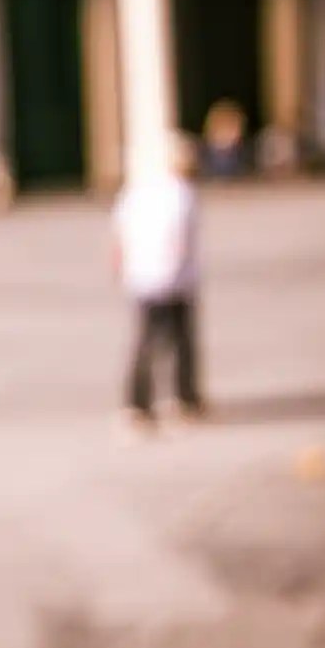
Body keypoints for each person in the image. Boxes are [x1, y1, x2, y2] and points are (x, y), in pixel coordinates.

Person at [112, 135, 205, 431]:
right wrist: (176, 270)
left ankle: (137, 405)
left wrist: (123, 269)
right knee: (181, 342)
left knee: (146, 343)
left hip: (141, 277)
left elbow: (118, 236)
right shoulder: (182, 193)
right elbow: (179, 238)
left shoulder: (137, 191)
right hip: (173, 278)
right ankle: (184, 399)